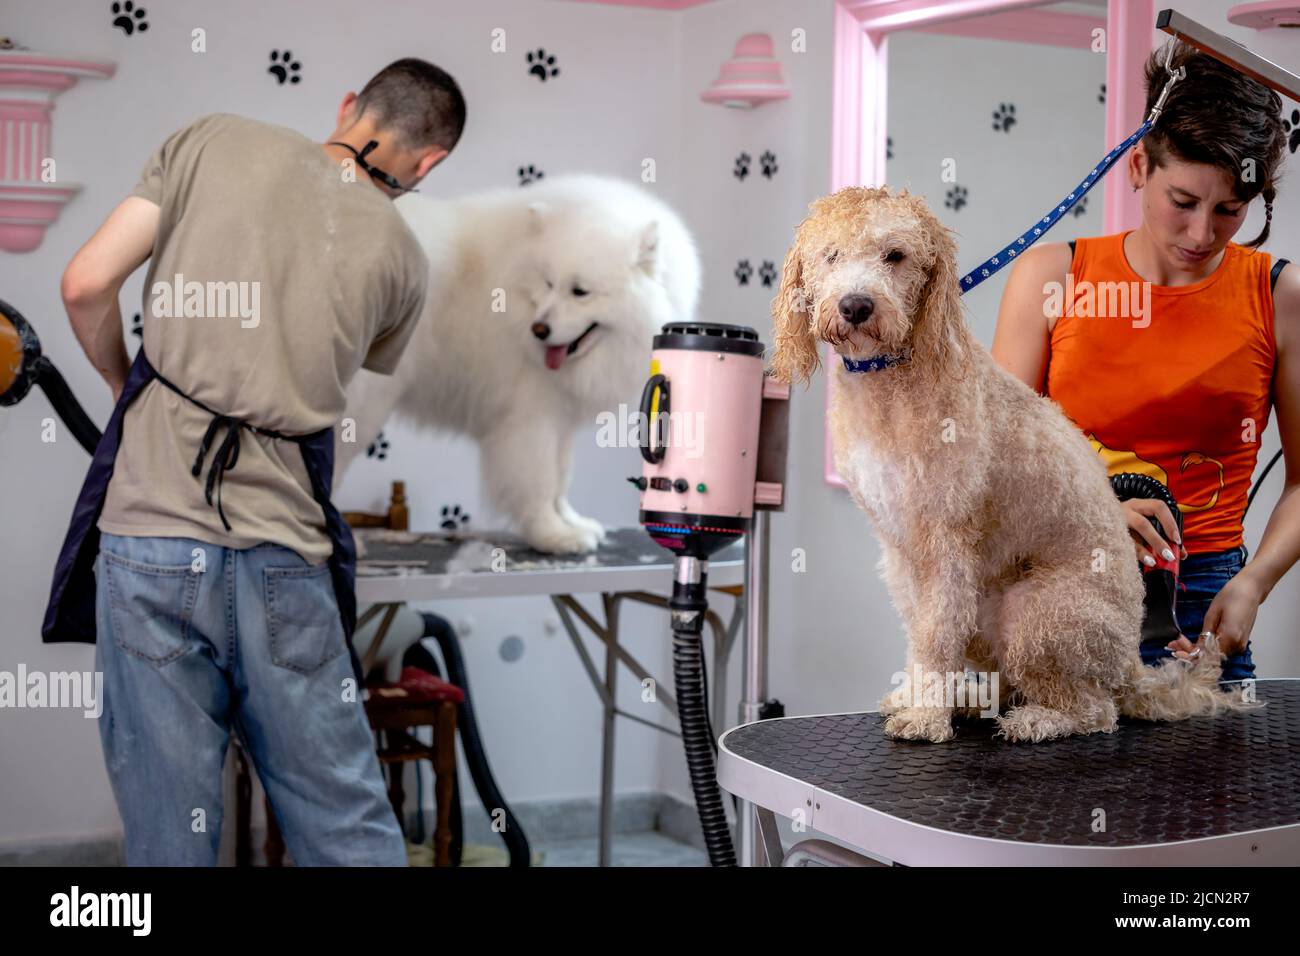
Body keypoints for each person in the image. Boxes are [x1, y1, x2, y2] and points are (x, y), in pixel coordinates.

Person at [43, 58, 466, 865]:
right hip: (283, 560)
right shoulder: (404, 258)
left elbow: (84, 283)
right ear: (429, 162)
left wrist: (122, 395)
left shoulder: (210, 141)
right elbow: (338, 398)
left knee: (170, 834)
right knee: (344, 824)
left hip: (151, 545)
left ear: (349, 104)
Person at [992, 40, 1299, 684]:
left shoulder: (1279, 294)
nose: (1200, 234)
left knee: (1212, 788)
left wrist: (1254, 584)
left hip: (1206, 596)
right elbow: (996, 461)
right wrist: (1096, 512)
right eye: (1182, 201)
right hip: (1063, 581)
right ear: (1137, 166)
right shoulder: (1053, 277)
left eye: (1229, 211)